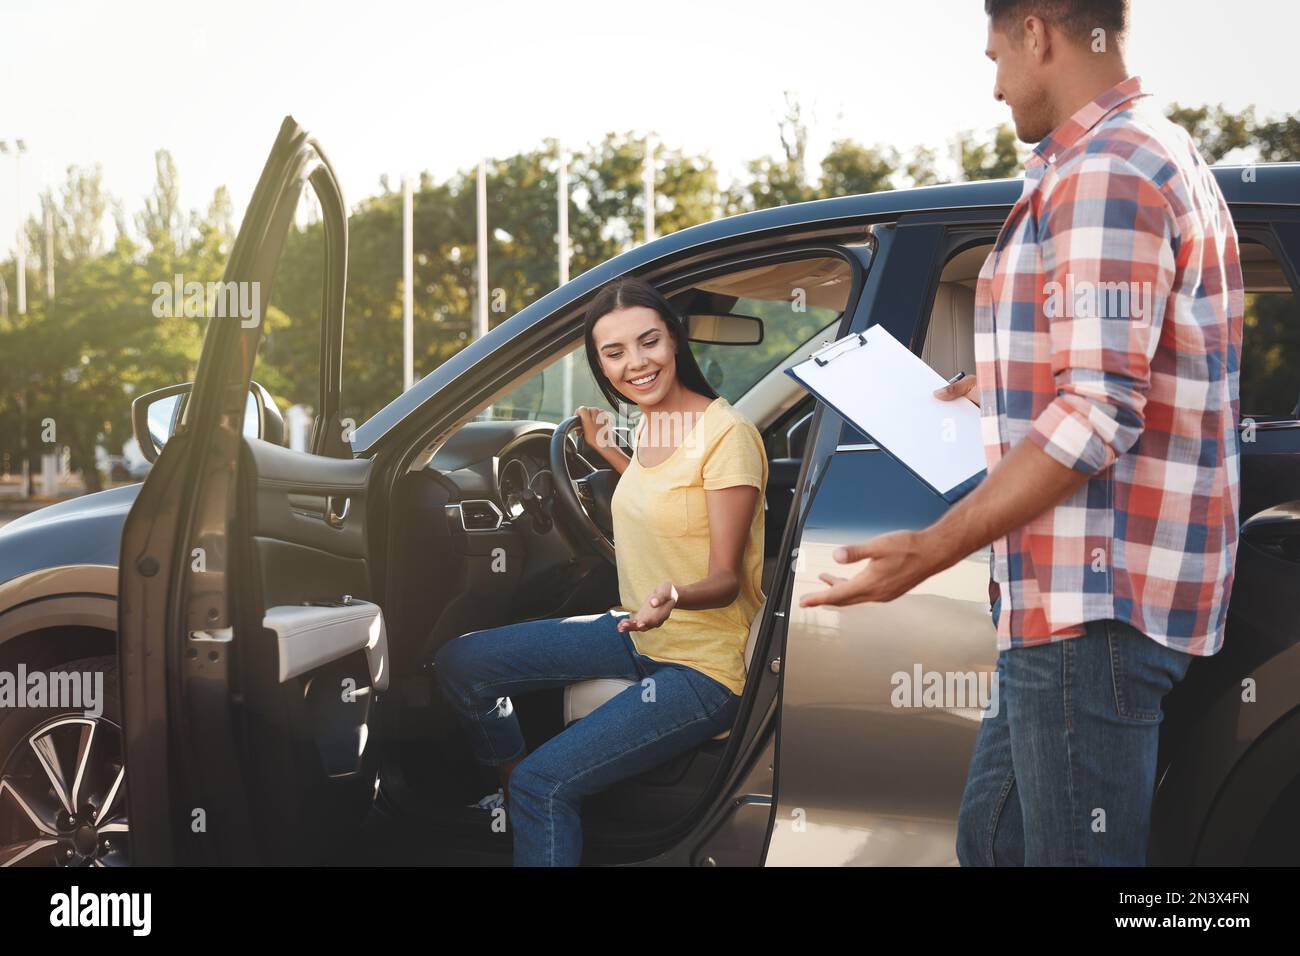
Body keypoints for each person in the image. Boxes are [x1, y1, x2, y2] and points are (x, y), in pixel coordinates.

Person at [801, 0, 1243, 866]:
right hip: (1077, 608)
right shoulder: (1149, 148)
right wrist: (1000, 387)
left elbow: (1100, 409)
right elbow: (1129, 361)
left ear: (1038, 32)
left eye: (996, 55)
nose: (997, 86)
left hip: (1090, 609)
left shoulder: (1106, 169)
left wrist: (933, 548)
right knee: (992, 844)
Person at [434, 276, 768, 866]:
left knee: (549, 784)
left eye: (648, 343)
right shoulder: (653, 425)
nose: (635, 364)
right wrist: (605, 450)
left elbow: (724, 580)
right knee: (463, 663)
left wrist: (672, 594)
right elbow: (660, 490)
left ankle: (528, 795)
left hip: (705, 667)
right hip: (636, 633)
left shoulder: (728, 435)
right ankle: (512, 790)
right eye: (613, 353)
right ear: (599, 363)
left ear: (674, 341)